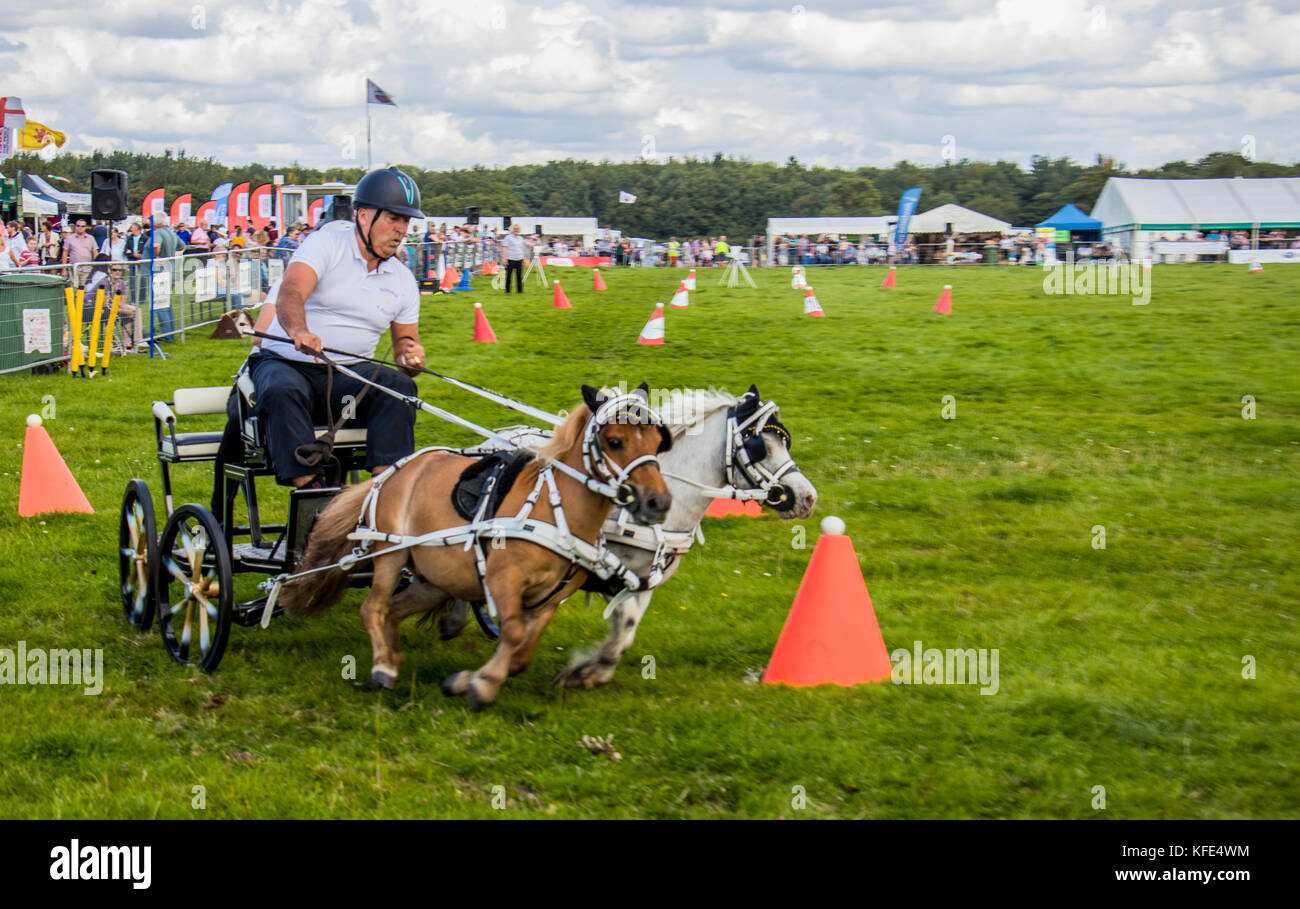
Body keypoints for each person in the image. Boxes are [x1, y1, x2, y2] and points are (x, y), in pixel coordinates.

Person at [250, 166, 426, 490]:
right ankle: (312, 495)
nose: (402, 229)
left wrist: (410, 358)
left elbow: (404, 347)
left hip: (347, 379)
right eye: (393, 219)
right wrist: (299, 331)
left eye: (406, 221)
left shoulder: (403, 280)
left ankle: (385, 493)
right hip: (285, 364)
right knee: (282, 389)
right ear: (363, 215)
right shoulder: (326, 243)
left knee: (398, 388)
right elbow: (291, 292)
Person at [61, 218, 99, 287]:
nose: (80, 228)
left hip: (87, 269)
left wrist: (97, 267)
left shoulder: (91, 238)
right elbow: (64, 253)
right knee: (74, 289)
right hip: (74, 269)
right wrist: (64, 269)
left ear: (85, 227)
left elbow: (95, 253)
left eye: (82, 226)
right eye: (78, 226)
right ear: (75, 227)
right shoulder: (69, 238)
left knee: (85, 290)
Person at [501, 222, 529, 293]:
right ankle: (508, 290)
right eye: (515, 229)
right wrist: (504, 258)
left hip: (519, 258)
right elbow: (505, 248)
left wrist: (524, 258)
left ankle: (520, 290)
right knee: (509, 275)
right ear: (512, 230)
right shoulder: (508, 238)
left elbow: (522, 249)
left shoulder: (520, 238)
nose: (516, 230)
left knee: (519, 276)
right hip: (511, 258)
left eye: (518, 229)